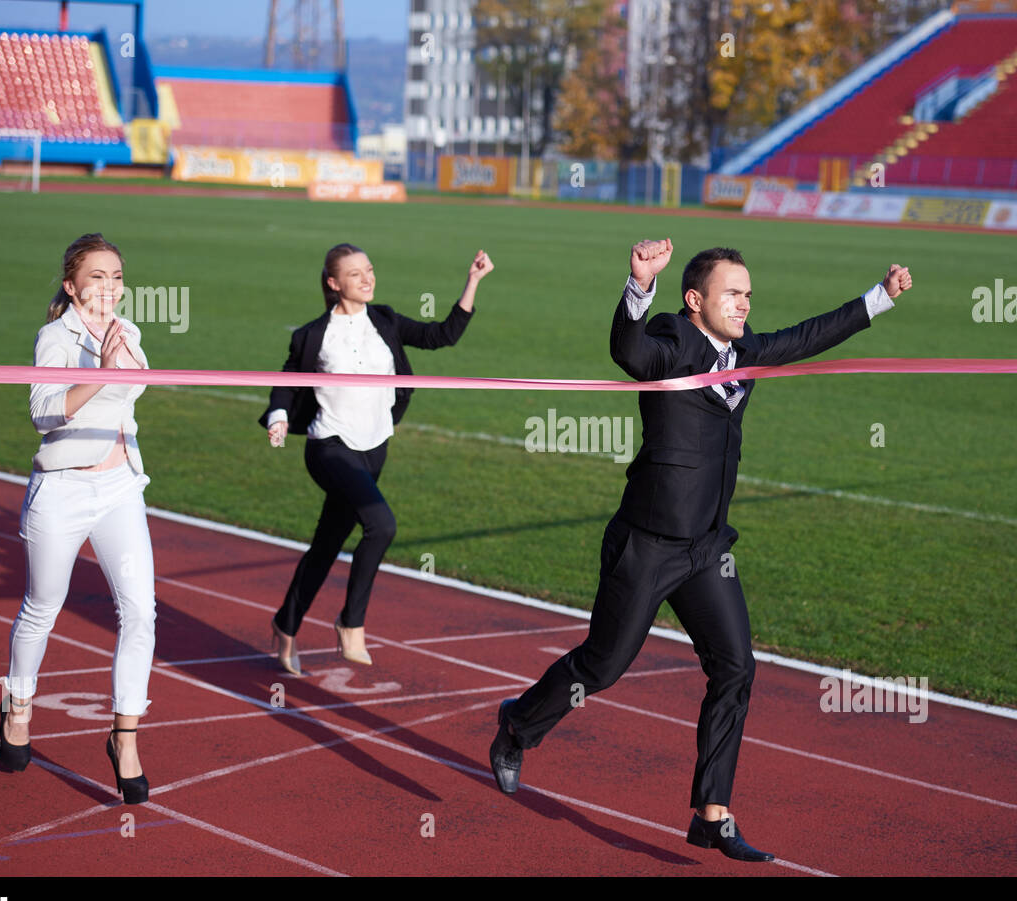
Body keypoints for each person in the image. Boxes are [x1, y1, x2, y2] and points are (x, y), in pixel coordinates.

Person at [490, 239, 912, 862]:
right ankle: (518, 726)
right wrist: (637, 285)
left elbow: (806, 336)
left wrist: (878, 298)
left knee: (737, 667)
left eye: (748, 292)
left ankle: (712, 813)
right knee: (602, 668)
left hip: (707, 548)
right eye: (733, 293)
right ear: (695, 300)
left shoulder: (745, 351)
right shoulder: (672, 339)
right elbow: (631, 354)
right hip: (648, 544)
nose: (745, 302)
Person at [259, 244, 493, 675]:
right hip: (330, 446)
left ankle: (285, 624)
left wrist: (473, 281)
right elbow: (286, 383)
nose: (367, 279)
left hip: (374, 446)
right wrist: (278, 417)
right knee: (381, 525)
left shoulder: (384, 319)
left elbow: (440, 335)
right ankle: (351, 622)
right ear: (333, 284)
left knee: (328, 542)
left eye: (369, 270)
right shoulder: (314, 334)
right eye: (354, 274)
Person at [1, 233, 157, 805]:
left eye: (116, 276)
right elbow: (45, 413)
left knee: (140, 611)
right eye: (97, 276)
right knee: (42, 607)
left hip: (119, 486)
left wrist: (123, 358)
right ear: (71, 285)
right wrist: (103, 368)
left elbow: (136, 387)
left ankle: (125, 738)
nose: (110, 286)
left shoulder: (129, 331)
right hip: (63, 490)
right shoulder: (55, 336)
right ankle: (18, 709)